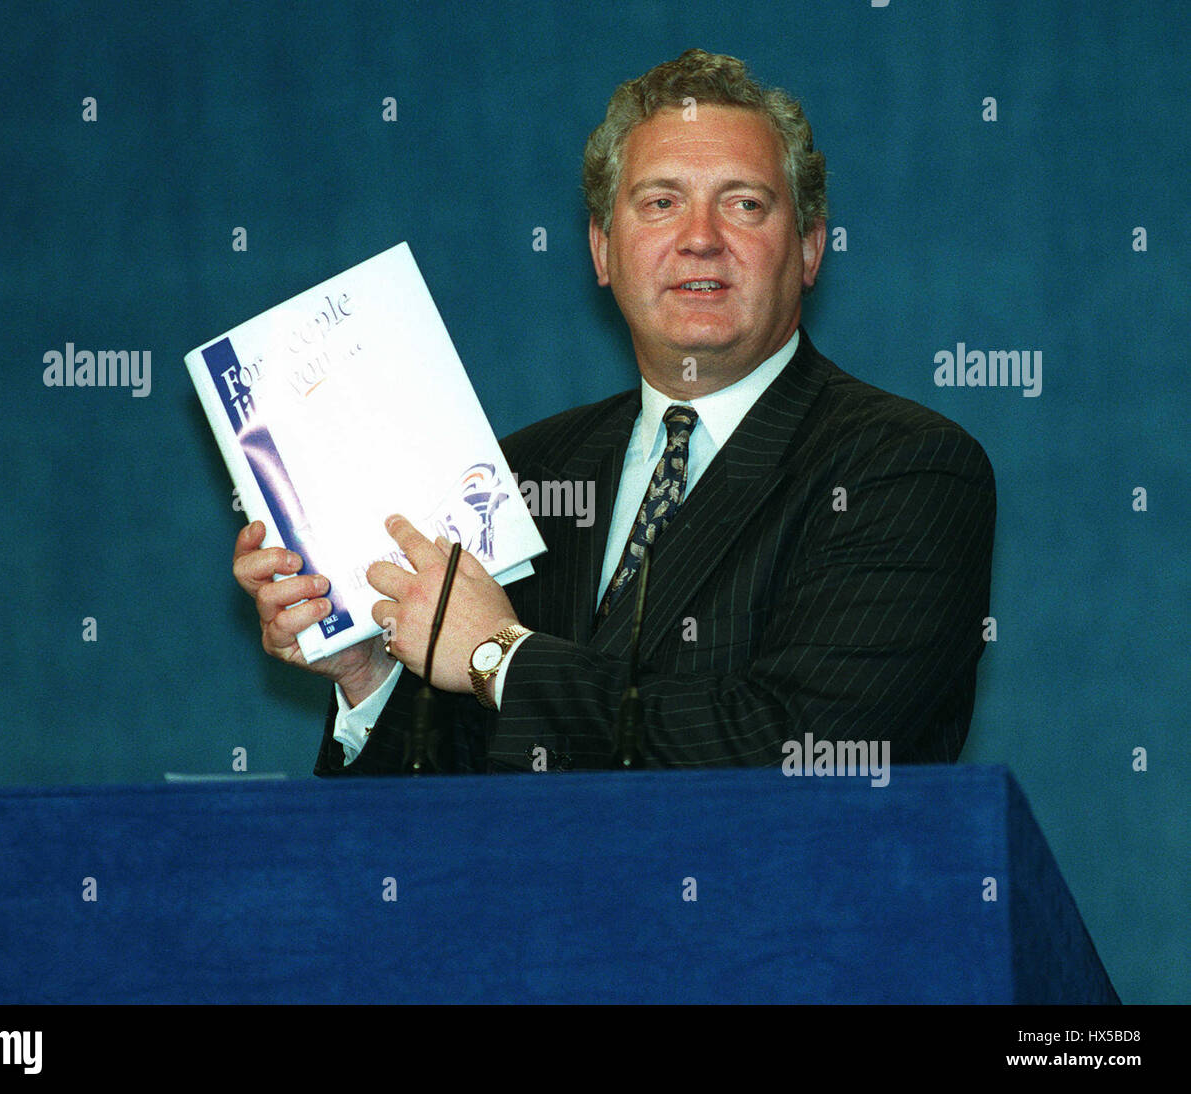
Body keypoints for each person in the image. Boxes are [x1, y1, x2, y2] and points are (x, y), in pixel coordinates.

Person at [232, 48, 996, 775]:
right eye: (661, 203)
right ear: (603, 251)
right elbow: (440, 812)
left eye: (745, 204)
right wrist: (368, 674)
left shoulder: (907, 468)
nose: (701, 239)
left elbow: (797, 750)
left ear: (808, 250)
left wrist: (502, 654)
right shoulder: (518, 475)